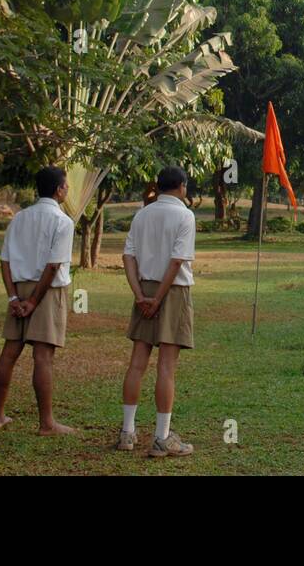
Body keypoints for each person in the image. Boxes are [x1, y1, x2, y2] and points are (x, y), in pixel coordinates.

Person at [118, 166, 197, 458]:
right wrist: (159, 299)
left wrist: (141, 295)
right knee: (166, 366)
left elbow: (128, 255)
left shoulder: (143, 214)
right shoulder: (185, 216)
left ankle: (127, 432)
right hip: (172, 291)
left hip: (144, 289)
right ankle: (162, 437)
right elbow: (177, 262)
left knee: (137, 363)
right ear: (181, 186)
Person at [0, 165, 76, 435]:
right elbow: (53, 266)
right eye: (66, 185)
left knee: (10, 352)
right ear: (59, 189)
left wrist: (14, 297)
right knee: (43, 357)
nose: (68, 189)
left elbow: (4, 260)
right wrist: (34, 301)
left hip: (20, 287)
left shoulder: (19, 218)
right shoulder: (63, 221)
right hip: (46, 291)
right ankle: (47, 423)